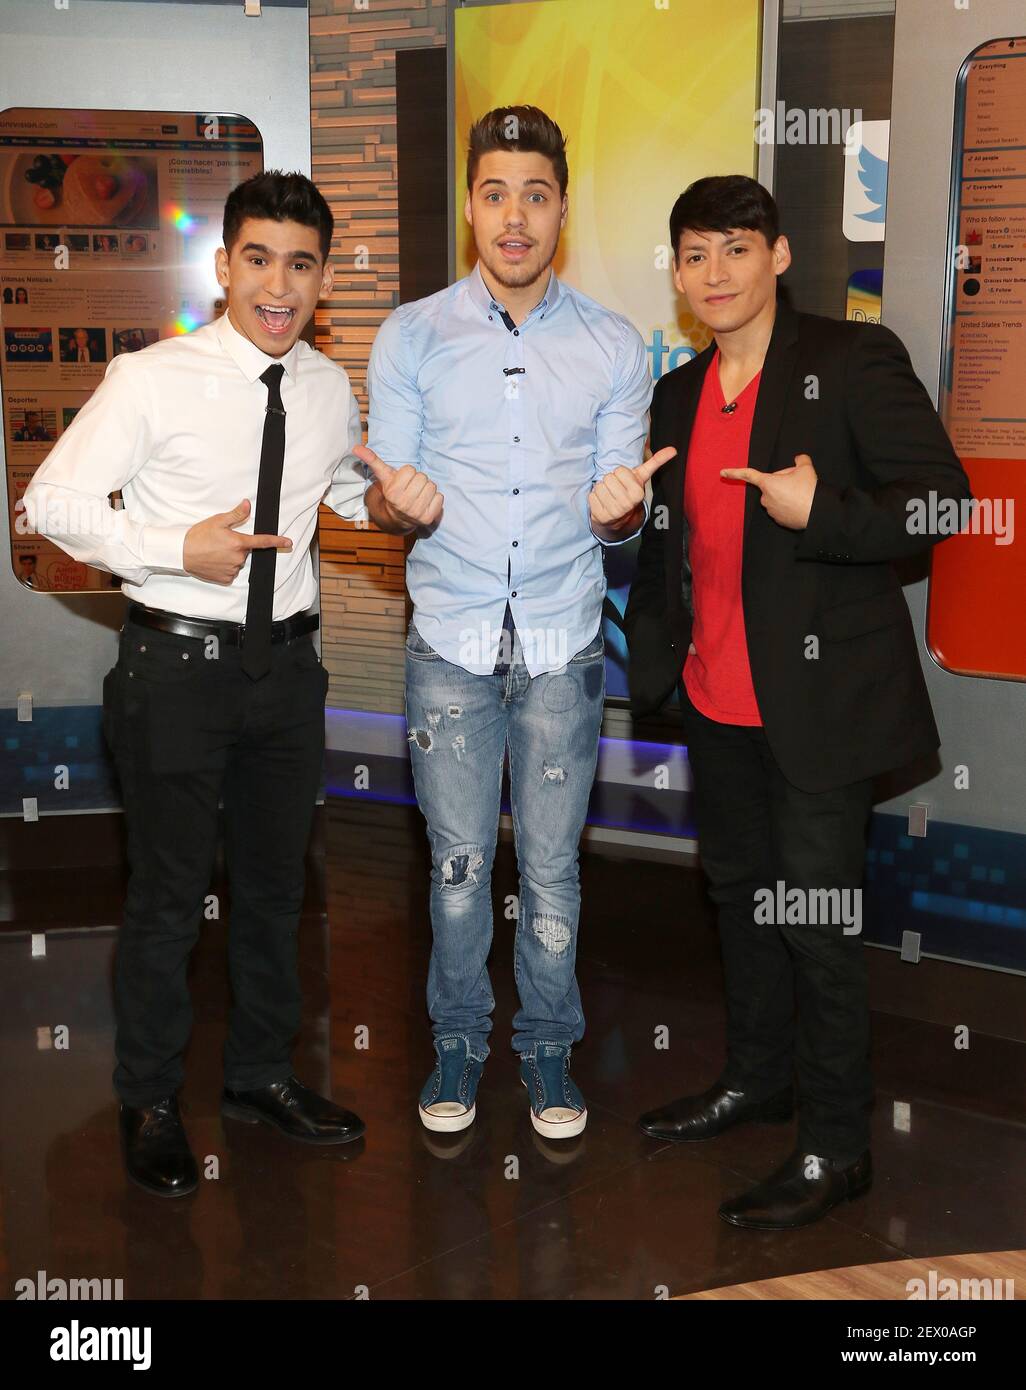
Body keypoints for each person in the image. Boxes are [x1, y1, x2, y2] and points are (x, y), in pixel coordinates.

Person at [625, 175, 971, 1229]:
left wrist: (827, 510)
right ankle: (757, 1079)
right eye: (693, 254)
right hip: (715, 698)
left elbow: (943, 501)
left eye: (734, 247)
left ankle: (835, 1144)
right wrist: (658, 665)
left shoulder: (850, 359)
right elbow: (668, 546)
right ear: (677, 273)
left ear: (777, 254)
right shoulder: (679, 393)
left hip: (822, 706)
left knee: (815, 925)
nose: (713, 272)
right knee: (740, 900)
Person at [23, 170, 368, 1198]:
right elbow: (49, 504)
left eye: (300, 264)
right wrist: (177, 545)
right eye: (258, 259)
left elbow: (334, 482)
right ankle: (149, 1097)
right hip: (173, 668)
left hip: (287, 671)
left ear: (320, 280)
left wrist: (389, 499)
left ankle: (262, 1075)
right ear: (224, 266)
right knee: (170, 899)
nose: (278, 285)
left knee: (273, 894)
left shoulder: (325, 387)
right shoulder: (151, 378)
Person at [356, 105, 672, 1139]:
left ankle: (546, 1050)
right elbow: (386, 487)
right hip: (447, 635)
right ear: (469, 208)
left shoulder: (614, 345)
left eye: (536, 195)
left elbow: (614, 500)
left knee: (550, 865)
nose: (515, 216)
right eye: (495, 193)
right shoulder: (412, 335)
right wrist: (392, 505)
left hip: (562, 640)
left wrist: (619, 509)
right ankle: (456, 1039)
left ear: (562, 211)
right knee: (455, 864)